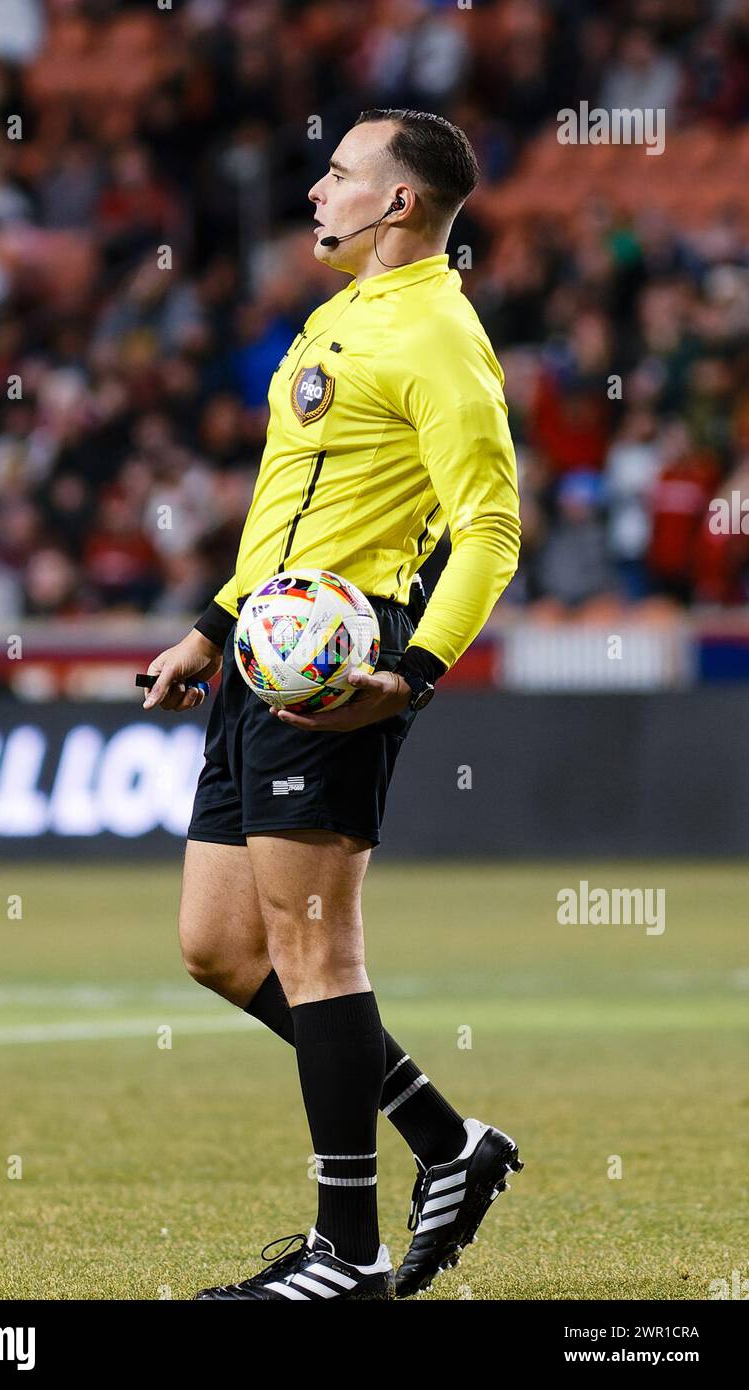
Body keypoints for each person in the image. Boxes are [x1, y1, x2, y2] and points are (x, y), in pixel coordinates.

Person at [144, 108, 523, 1301]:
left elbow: (489, 530)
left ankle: (344, 1252)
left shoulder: (440, 339)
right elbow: (290, 501)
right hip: (264, 648)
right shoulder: (339, 315)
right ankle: (451, 1142)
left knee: (316, 951)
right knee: (217, 947)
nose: (317, 188)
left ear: (399, 203)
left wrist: (409, 676)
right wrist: (210, 625)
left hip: (343, 666)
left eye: (340, 173)